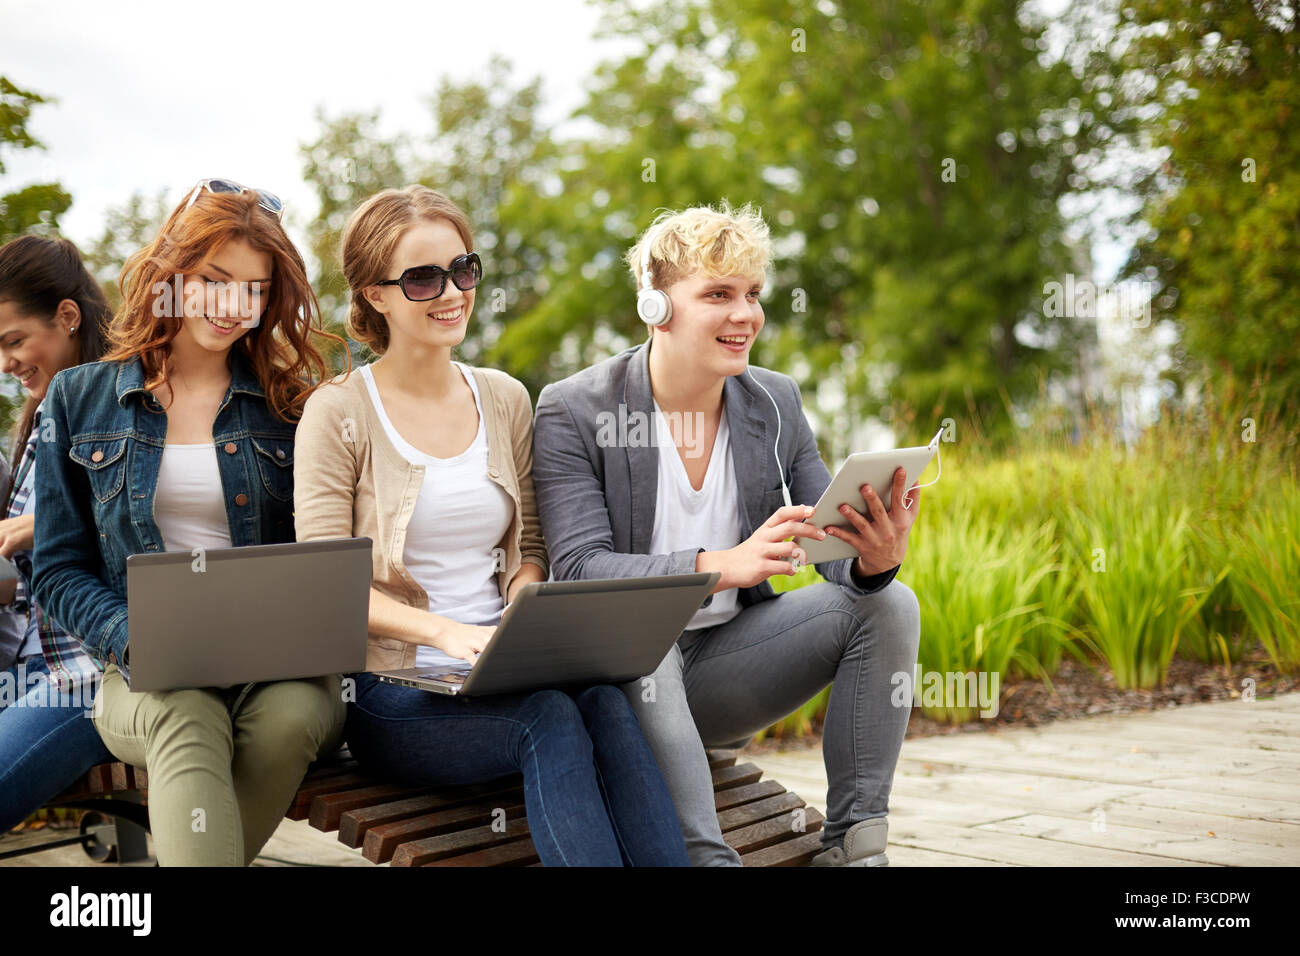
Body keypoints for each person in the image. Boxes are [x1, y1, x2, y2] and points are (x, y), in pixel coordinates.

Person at [293, 185, 688, 866]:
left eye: (463, 269)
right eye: (423, 278)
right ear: (374, 294)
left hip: (506, 668)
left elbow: (529, 547)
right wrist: (452, 634)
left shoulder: (504, 397)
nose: (452, 292)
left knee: (606, 702)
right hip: (398, 693)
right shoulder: (338, 412)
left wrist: (518, 610)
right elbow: (328, 587)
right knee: (552, 718)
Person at [532, 202, 923, 866]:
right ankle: (707, 860)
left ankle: (856, 850)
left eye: (752, 294)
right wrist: (720, 565)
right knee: (643, 634)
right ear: (656, 306)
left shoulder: (773, 403)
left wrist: (870, 561)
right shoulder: (576, 408)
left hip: (722, 672)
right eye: (718, 294)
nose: (745, 315)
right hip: (622, 680)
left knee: (891, 603)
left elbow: (824, 544)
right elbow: (578, 571)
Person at [32, 179, 347, 865]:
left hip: (282, 669)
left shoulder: (292, 406)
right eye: (214, 279)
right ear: (171, 273)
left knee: (292, 718)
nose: (233, 306)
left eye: (254, 290)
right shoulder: (80, 398)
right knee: (185, 710)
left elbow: (329, 549)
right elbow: (56, 568)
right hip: (142, 666)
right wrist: (134, 638)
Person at [0, 236, 114, 831]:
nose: (5, 363)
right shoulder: (46, 409)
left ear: (68, 317)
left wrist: (41, 525)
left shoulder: (131, 399)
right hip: (32, 660)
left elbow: (158, 521)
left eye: (14, 341)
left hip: (93, 672)